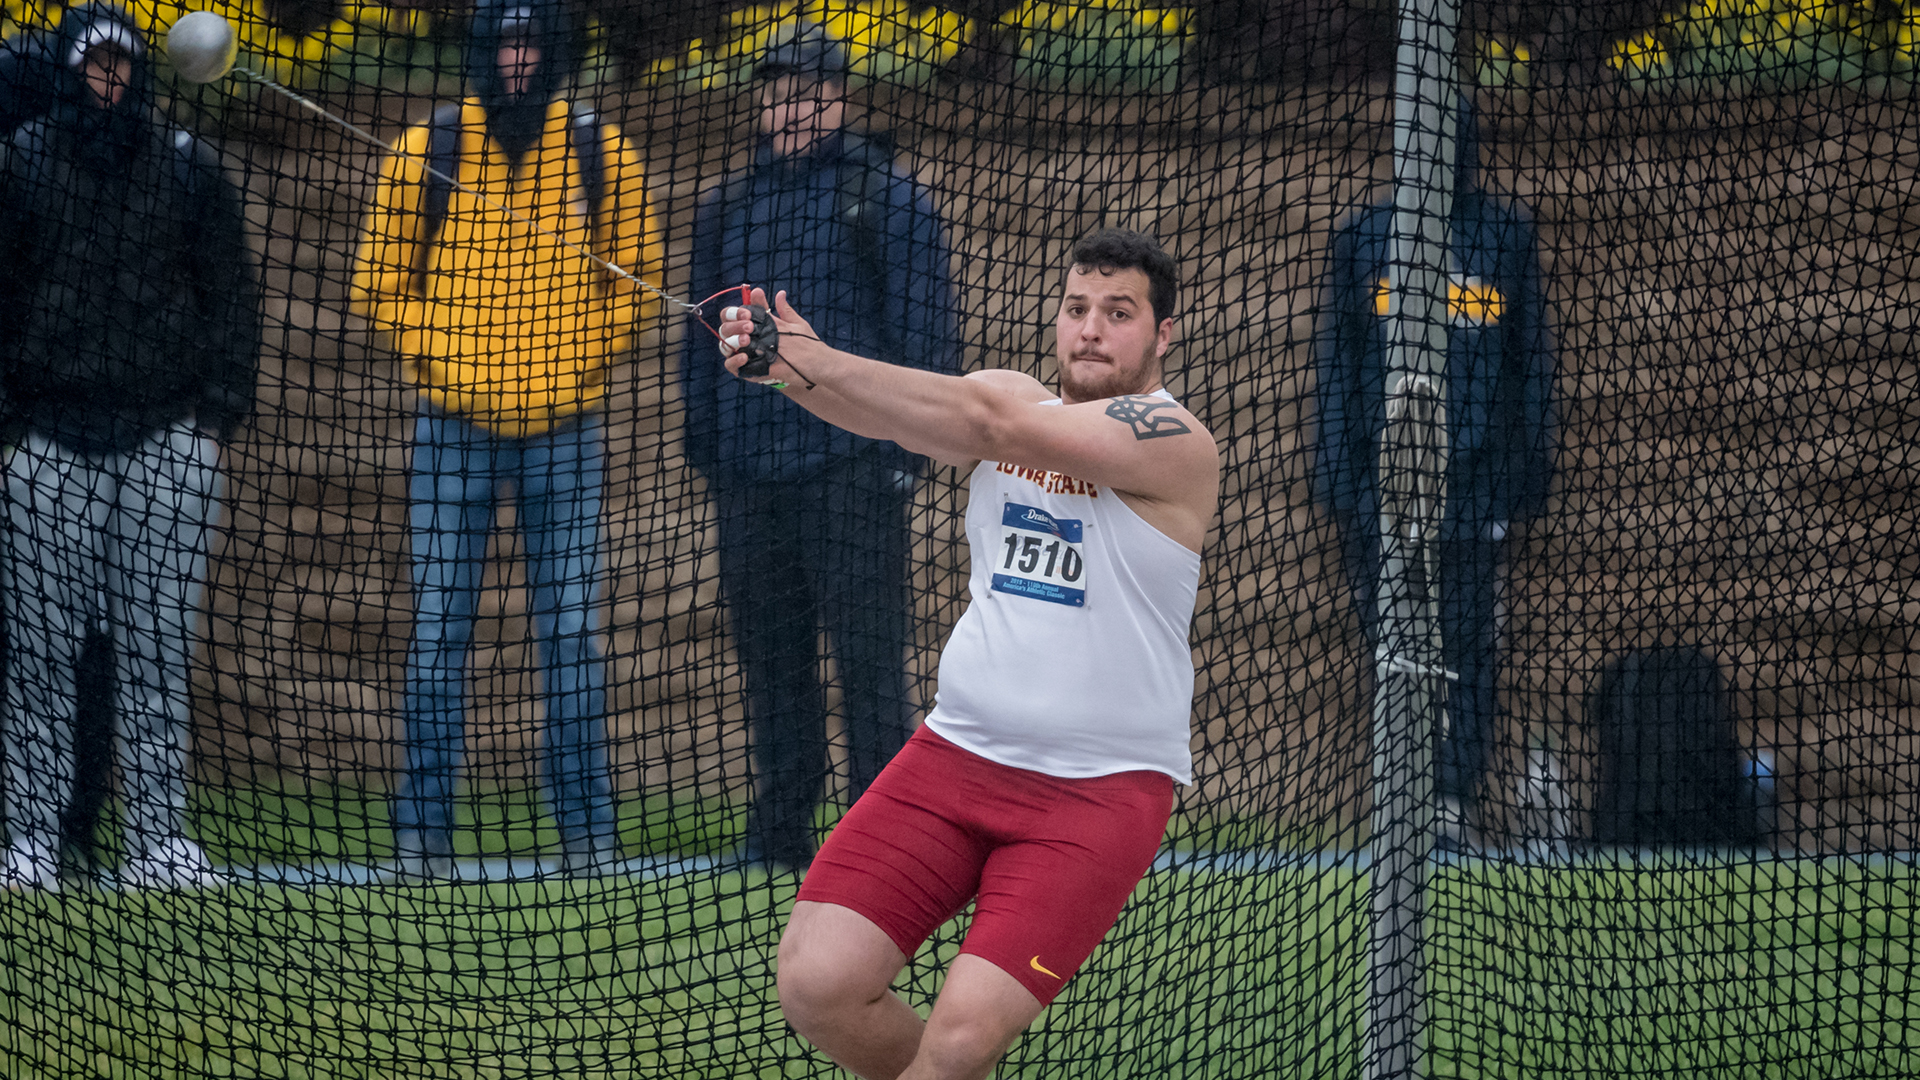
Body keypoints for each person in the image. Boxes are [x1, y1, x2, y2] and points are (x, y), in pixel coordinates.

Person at [712, 228, 1217, 1080]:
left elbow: (982, 420)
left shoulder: (1170, 436)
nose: (1091, 328)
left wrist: (820, 356)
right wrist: (786, 373)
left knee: (957, 1045)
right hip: (955, 758)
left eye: (1119, 313)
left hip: (1095, 795)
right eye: (1076, 308)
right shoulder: (1014, 399)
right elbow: (892, 417)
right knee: (816, 983)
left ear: (1163, 334)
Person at [349, 0, 662, 879]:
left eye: (532, 44)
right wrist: (447, 354)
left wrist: (570, 359)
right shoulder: (429, 150)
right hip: (451, 430)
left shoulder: (602, 152)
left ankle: (587, 836)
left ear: (555, 53)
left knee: (570, 634)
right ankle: (422, 837)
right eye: (502, 45)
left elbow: (640, 287)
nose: (517, 60)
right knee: (439, 631)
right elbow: (376, 283)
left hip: (565, 430)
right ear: (480, 54)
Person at [678, 22, 959, 871]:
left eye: (810, 89)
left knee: (870, 662)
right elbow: (699, 339)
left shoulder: (888, 197)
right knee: (772, 659)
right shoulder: (725, 204)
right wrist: (710, 445)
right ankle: (779, 834)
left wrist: (904, 456)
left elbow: (925, 338)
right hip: (751, 474)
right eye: (777, 89)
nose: (792, 106)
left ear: (840, 97)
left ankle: (886, 843)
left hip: (854, 471)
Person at [0, 2, 260, 890]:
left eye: (121, 65)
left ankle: (158, 838)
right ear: (71, 69)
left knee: (156, 652)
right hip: (48, 442)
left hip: (165, 439)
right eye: (94, 65)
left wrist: (214, 421)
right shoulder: (22, 161)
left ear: (140, 72)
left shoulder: (186, 169)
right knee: (39, 652)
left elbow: (232, 297)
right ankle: (28, 837)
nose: (108, 80)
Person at [1313, 93, 1557, 848]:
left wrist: (1516, 488)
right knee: (1393, 648)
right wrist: (1346, 487)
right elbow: (1339, 372)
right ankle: (1403, 799)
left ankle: (1450, 802)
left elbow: (1529, 372)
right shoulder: (1367, 238)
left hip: (1473, 493)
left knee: (1469, 648)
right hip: (1381, 497)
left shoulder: (1502, 237)